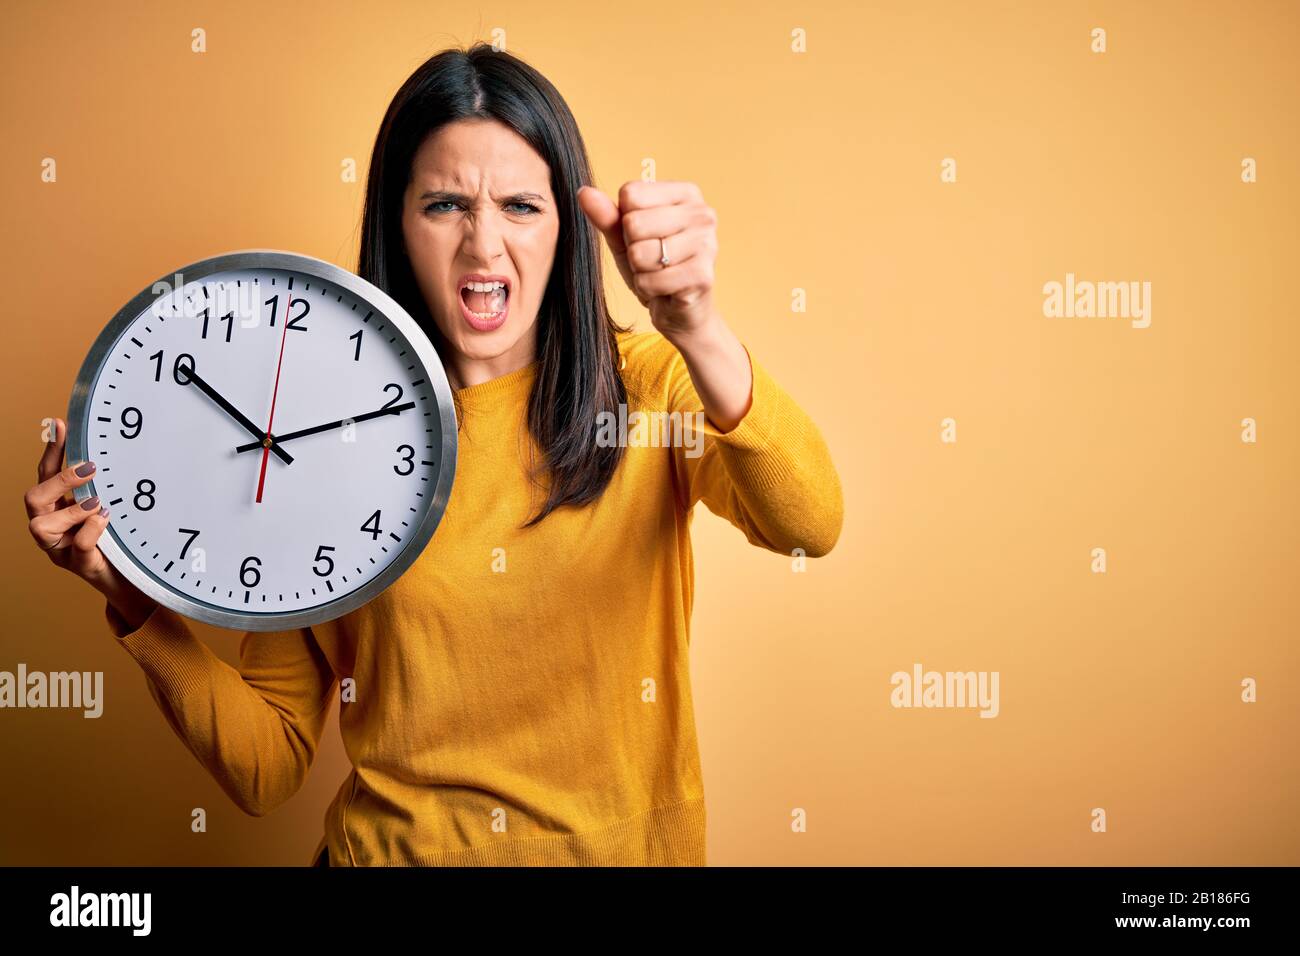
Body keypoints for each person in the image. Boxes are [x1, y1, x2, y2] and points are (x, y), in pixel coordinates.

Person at [23, 42, 843, 866]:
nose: (484, 246)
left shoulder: (651, 389)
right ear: (397, 221)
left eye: (521, 205)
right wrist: (126, 589)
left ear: (568, 226)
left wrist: (698, 325)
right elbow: (267, 767)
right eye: (445, 204)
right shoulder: (318, 441)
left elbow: (809, 525)